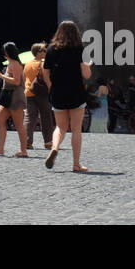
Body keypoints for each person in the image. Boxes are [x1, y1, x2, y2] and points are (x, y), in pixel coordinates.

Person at [44, 20, 92, 172]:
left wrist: (51, 87)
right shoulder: (79, 49)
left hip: (58, 92)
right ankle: (76, 164)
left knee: (60, 127)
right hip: (75, 92)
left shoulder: (51, 49)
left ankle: (55, 148)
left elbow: (45, 72)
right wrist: (88, 66)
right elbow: (86, 74)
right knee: (76, 128)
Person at [0, 42, 29, 157]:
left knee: (18, 124)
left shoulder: (15, 64)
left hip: (15, 96)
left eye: (4, 52)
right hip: (7, 95)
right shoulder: (12, 63)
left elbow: (16, 81)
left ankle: (23, 150)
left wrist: (1, 75)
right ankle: (0, 148)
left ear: (7, 53)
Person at [23, 43, 54, 150]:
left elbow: (24, 78)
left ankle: (27, 141)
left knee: (29, 117)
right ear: (39, 52)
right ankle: (48, 142)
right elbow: (46, 78)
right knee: (46, 117)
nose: (46, 52)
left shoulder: (27, 64)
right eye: (44, 50)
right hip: (42, 93)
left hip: (29, 92)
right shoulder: (44, 63)